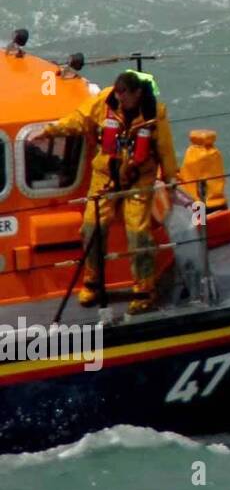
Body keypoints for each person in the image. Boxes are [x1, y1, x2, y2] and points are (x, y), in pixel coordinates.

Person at [36, 71, 180, 313]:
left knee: (138, 232)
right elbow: (79, 119)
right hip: (105, 175)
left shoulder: (155, 113)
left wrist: (170, 179)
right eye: (118, 95)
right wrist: (50, 131)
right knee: (92, 225)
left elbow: (165, 148)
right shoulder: (103, 102)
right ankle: (94, 283)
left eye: (125, 96)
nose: (120, 101)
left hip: (139, 178)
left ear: (137, 93)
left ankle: (144, 289)